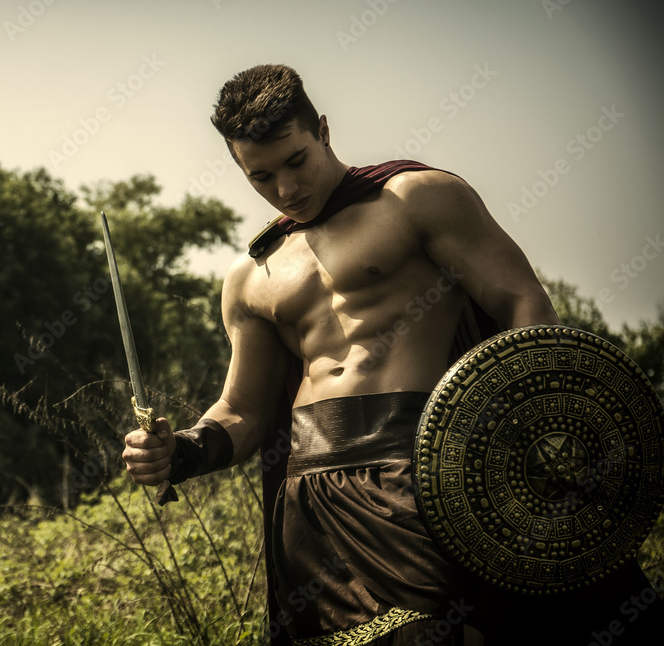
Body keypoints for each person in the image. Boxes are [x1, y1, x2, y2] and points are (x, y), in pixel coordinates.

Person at [120, 64, 655, 644]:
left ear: (323, 131)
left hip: (427, 469)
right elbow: (243, 410)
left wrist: (519, 435)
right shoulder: (252, 274)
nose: (286, 189)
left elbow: (522, 301)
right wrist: (182, 451)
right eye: (262, 176)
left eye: (296, 161)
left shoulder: (416, 198)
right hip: (312, 498)